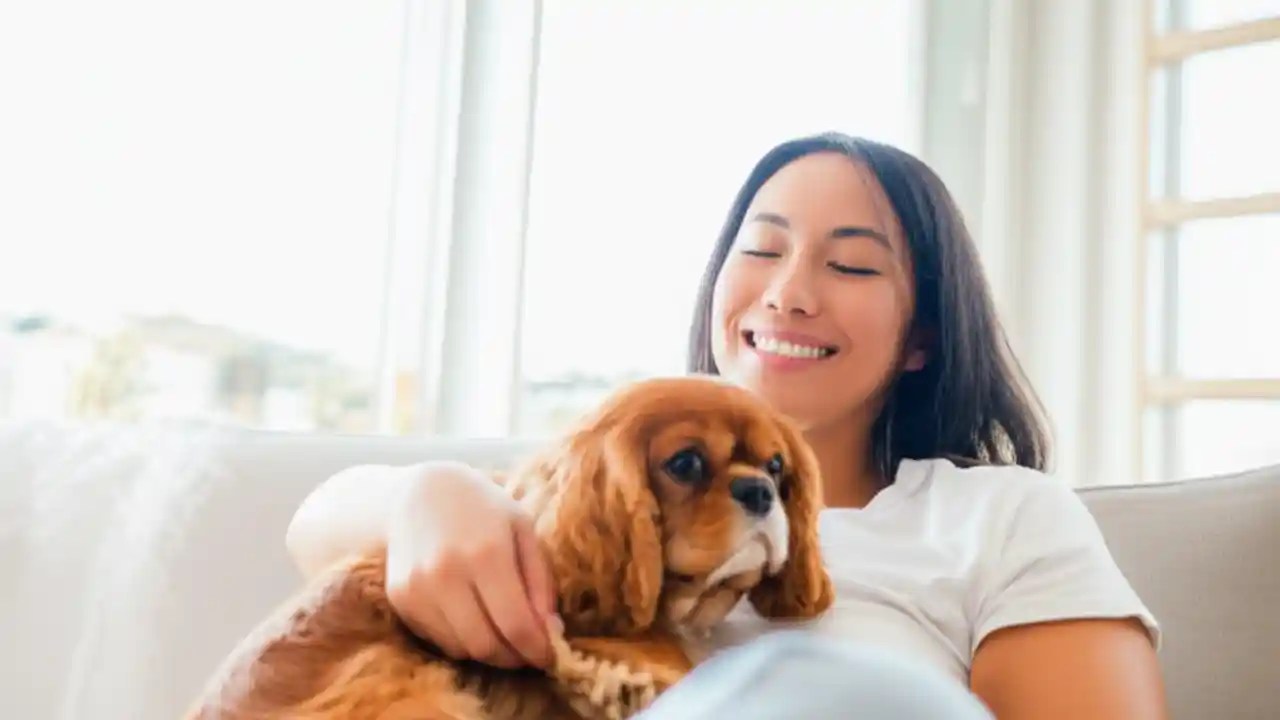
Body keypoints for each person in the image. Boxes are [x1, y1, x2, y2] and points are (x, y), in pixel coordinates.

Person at [285, 133, 1167, 718]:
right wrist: (425, 494)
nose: (789, 291)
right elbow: (314, 526)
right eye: (762, 247)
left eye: (852, 263)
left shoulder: (996, 515)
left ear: (922, 338)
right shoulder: (600, 481)